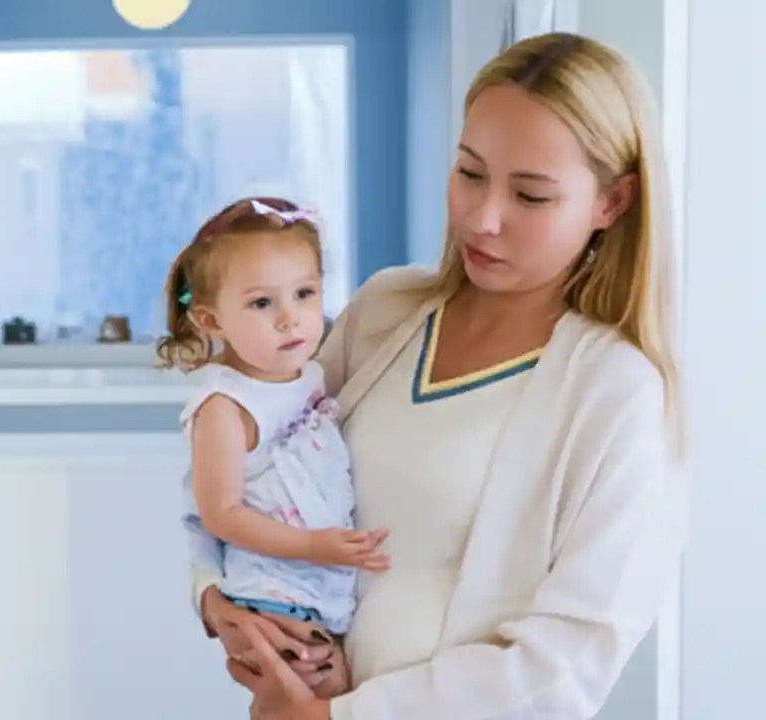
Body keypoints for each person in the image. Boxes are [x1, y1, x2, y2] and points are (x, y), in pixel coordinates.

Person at [188, 32, 689, 719]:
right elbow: (245, 464)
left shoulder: (617, 392)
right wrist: (214, 599)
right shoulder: (385, 312)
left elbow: (567, 663)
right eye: (470, 172)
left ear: (613, 202)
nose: (483, 220)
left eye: (532, 196)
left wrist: (342, 717)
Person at [159, 197, 391, 647]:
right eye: (262, 302)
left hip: (327, 589)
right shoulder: (226, 409)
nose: (290, 318)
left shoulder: (312, 374)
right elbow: (220, 514)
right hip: (270, 598)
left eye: (304, 294)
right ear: (211, 320)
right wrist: (312, 546)